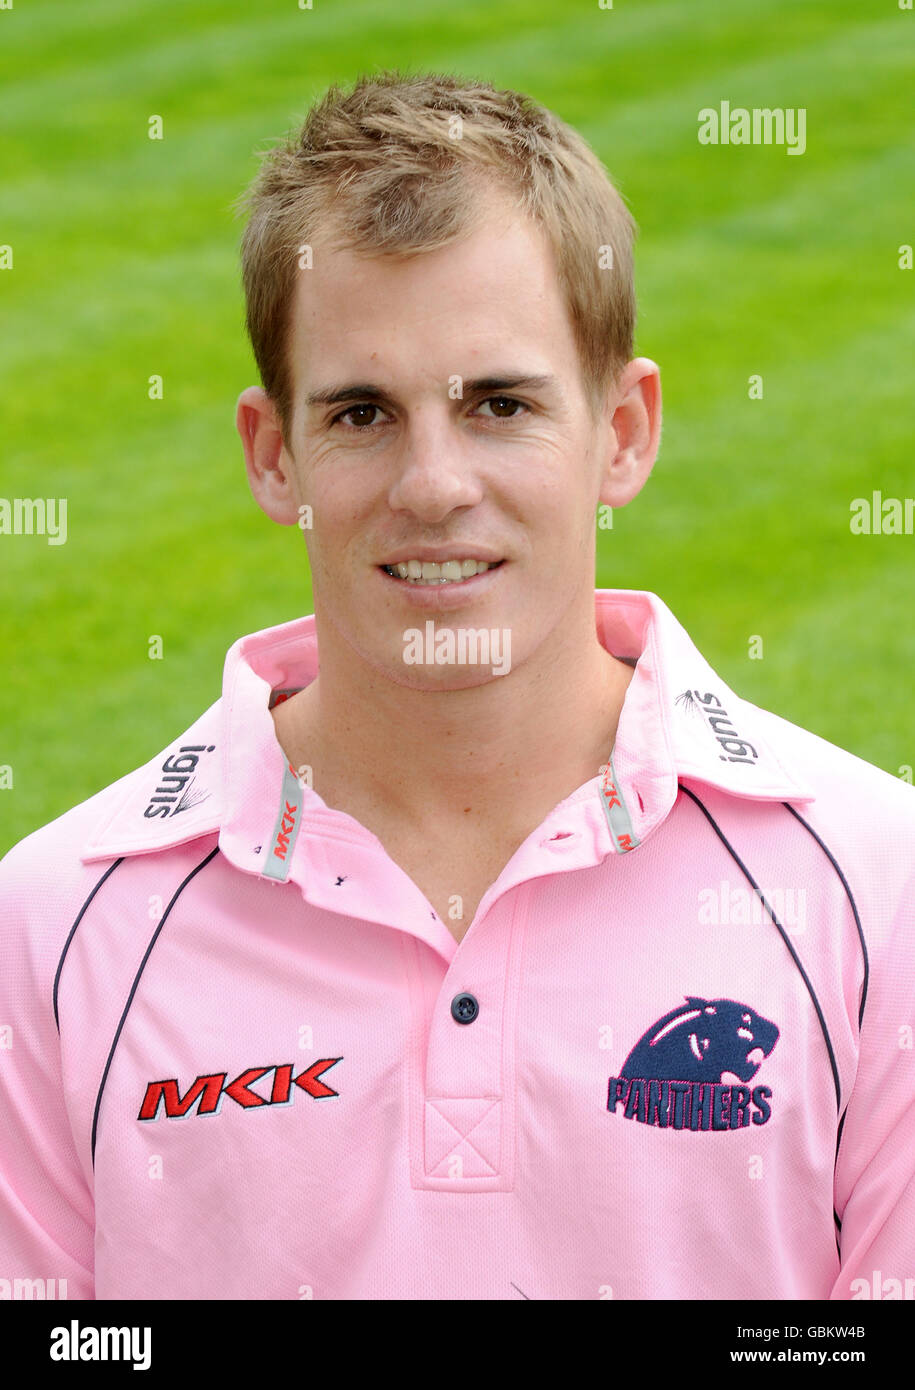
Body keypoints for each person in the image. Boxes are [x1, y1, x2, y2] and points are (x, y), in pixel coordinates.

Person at [1, 71, 912, 1303]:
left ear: (625, 431)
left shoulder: (875, 893)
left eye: (499, 404)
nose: (433, 483)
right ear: (275, 455)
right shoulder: (56, 927)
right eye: (364, 412)